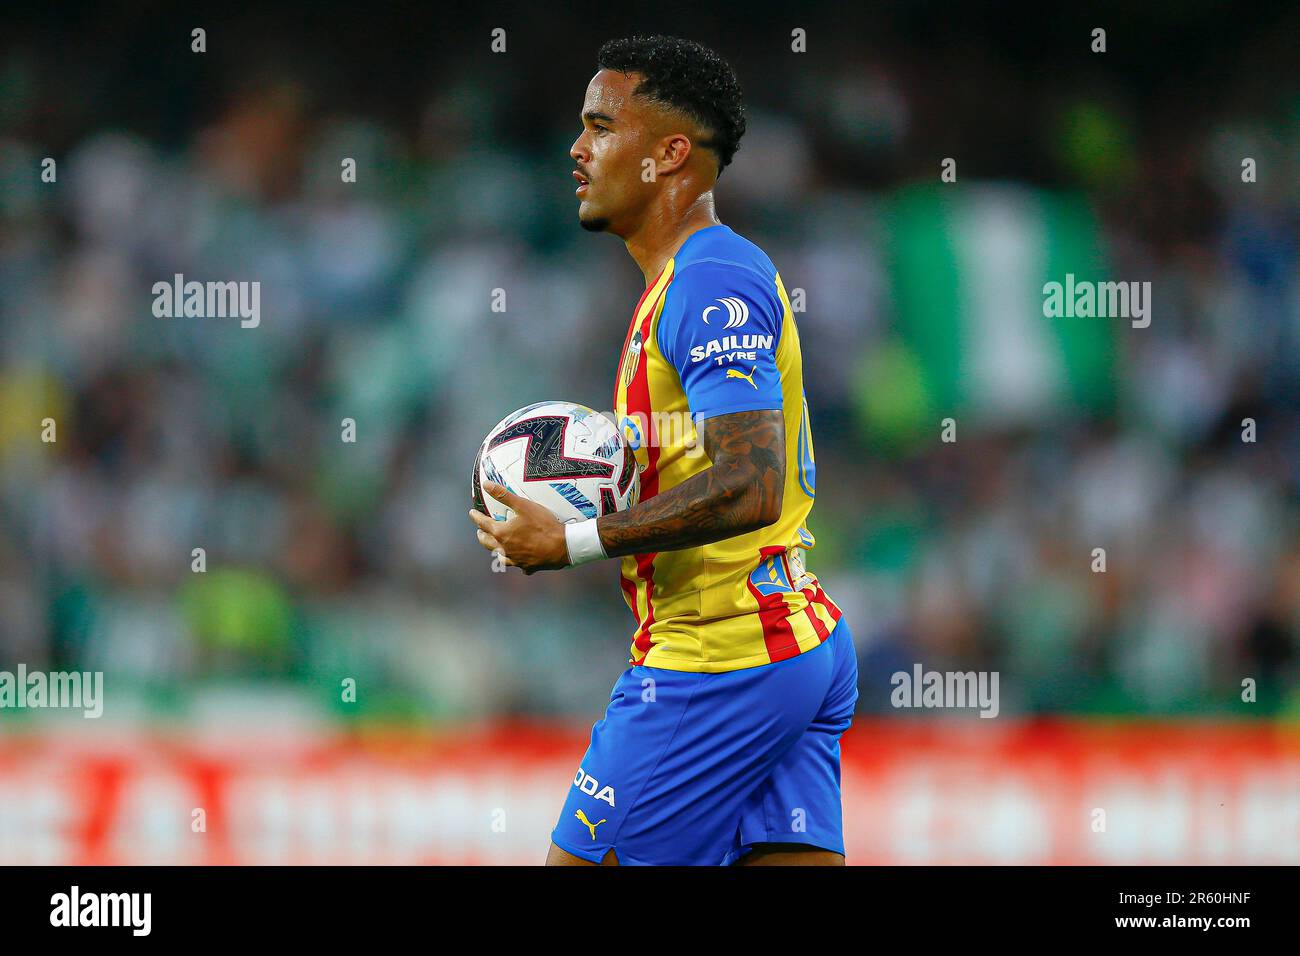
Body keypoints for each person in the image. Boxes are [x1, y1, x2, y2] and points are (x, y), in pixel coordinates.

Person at [470, 35, 857, 866]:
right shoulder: (679, 282)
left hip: (723, 656)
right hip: (783, 640)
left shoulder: (711, 281)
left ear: (670, 154)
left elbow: (750, 482)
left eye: (600, 127)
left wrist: (569, 539)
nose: (577, 150)